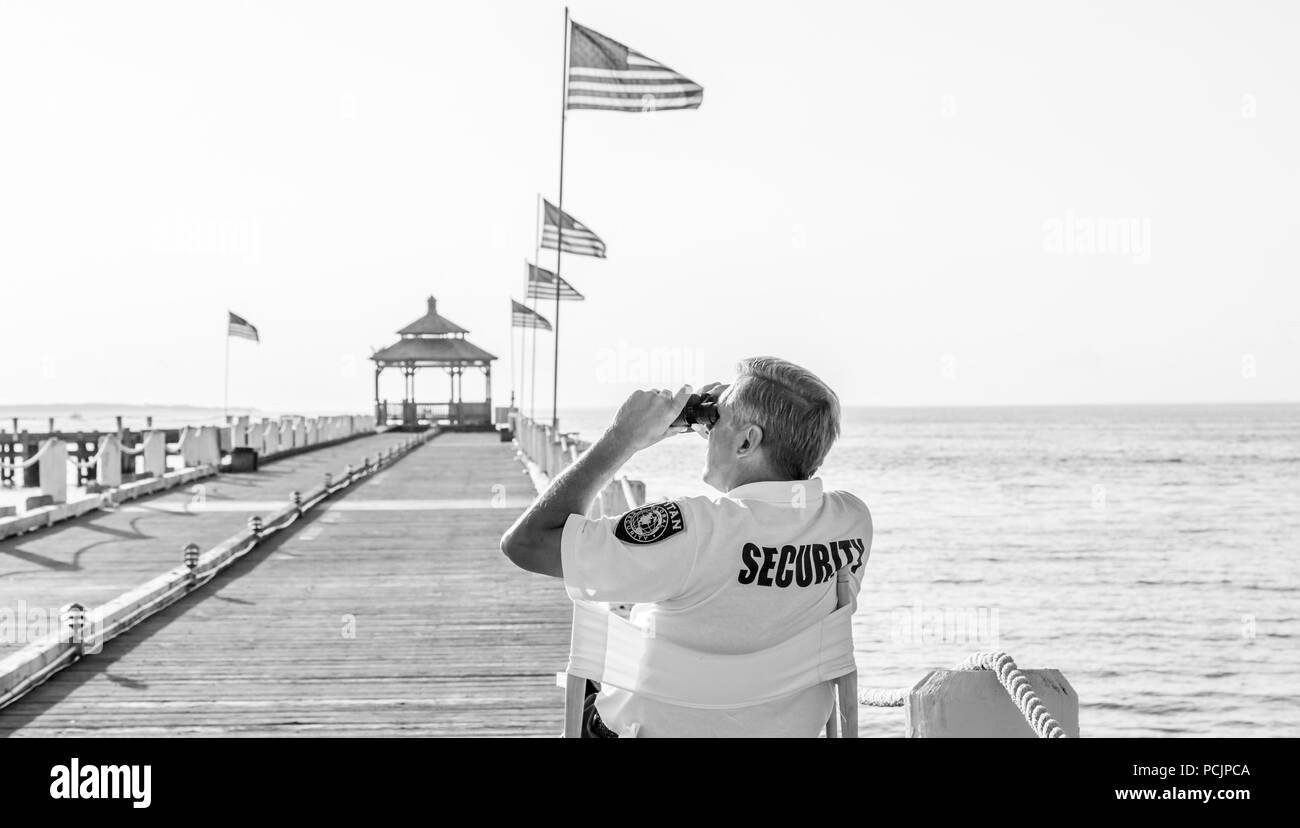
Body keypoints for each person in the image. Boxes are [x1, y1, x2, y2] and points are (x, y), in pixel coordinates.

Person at [500, 356, 873, 737]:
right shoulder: (851, 522)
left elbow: (527, 542)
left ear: (747, 440)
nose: (709, 431)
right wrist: (728, 415)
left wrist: (622, 438)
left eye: (717, 421)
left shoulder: (691, 530)